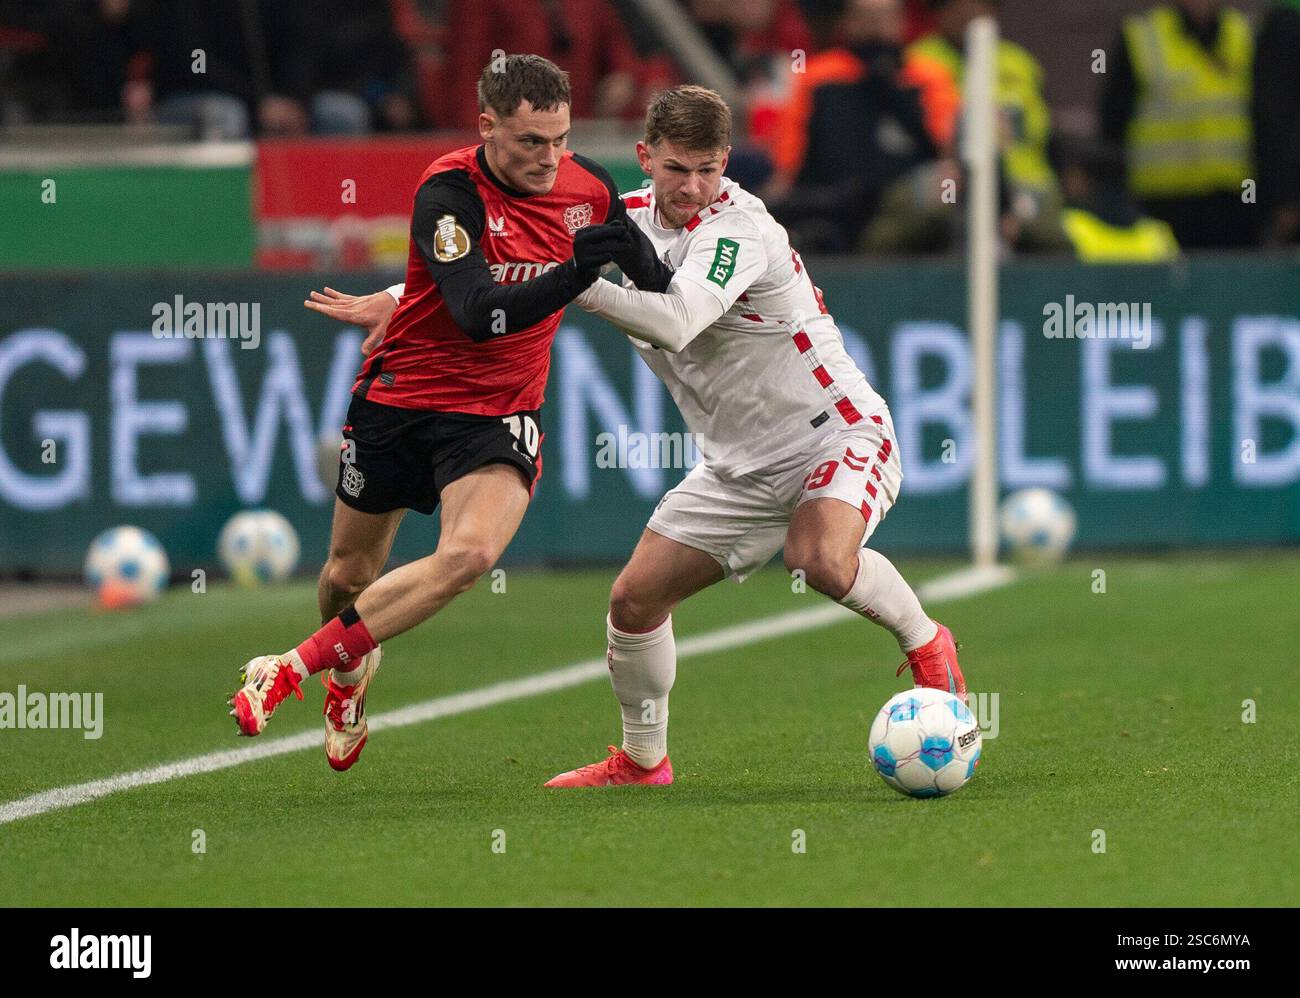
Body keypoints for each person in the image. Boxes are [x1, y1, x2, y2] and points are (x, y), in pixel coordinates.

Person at [321, 85, 969, 787]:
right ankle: (641, 760)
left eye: (709, 169)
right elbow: (495, 261)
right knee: (633, 601)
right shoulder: (614, 215)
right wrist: (397, 298)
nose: (692, 187)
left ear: (727, 164)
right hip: (737, 465)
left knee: (816, 559)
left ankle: (926, 641)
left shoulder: (740, 228)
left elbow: (675, 320)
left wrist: (576, 284)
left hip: (833, 435)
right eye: (676, 169)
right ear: (645, 158)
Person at [226, 54, 644, 772]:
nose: (551, 159)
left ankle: (291, 668)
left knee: (471, 554)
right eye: (531, 143)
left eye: (561, 140)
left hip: (497, 411)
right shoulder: (447, 193)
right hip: (400, 400)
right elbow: (477, 313)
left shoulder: (591, 189)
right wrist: (575, 274)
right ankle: (350, 673)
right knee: (346, 575)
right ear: (487, 127)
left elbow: (654, 276)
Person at [1099, 0, 1255, 249]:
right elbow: (1112, 122)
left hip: (1233, 200)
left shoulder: (1244, 35)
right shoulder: (1143, 36)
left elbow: (1269, 116)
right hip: (1161, 199)